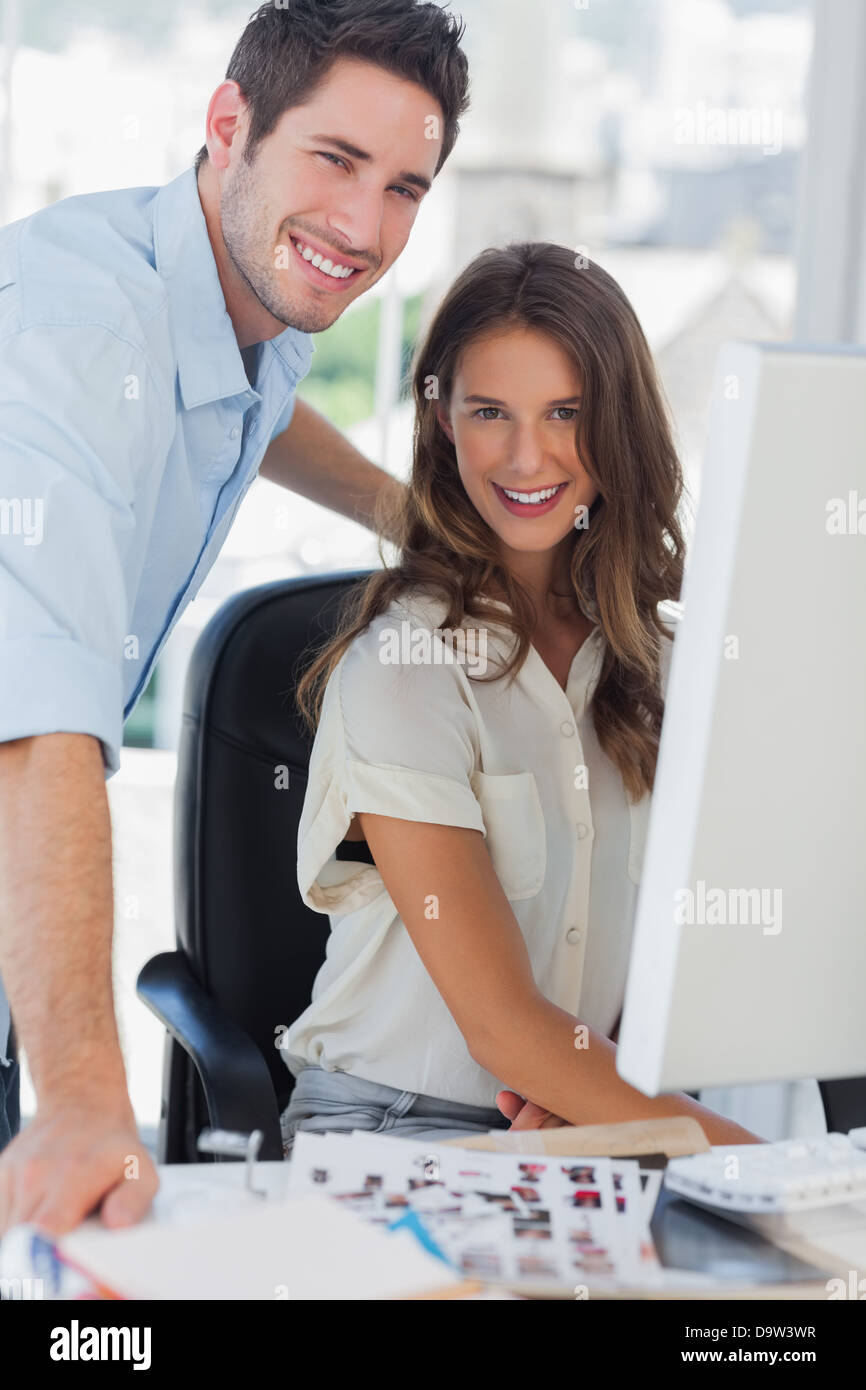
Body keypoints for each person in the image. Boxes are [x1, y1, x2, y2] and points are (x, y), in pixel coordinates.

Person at [0, 0, 470, 1235]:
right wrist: (89, 1101)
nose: (363, 229)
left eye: (405, 188)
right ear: (228, 125)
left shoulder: (248, 280)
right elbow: (38, 730)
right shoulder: (76, 330)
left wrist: (412, 518)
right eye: (335, 160)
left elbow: (246, 410)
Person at [281, 241, 766, 1152]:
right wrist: (760, 1169)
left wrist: (589, 1080)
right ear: (444, 424)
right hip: (393, 1127)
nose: (527, 454)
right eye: (490, 412)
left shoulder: (659, 662)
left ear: (616, 425)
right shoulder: (407, 670)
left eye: (566, 412)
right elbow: (502, 1028)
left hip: (574, 1121)